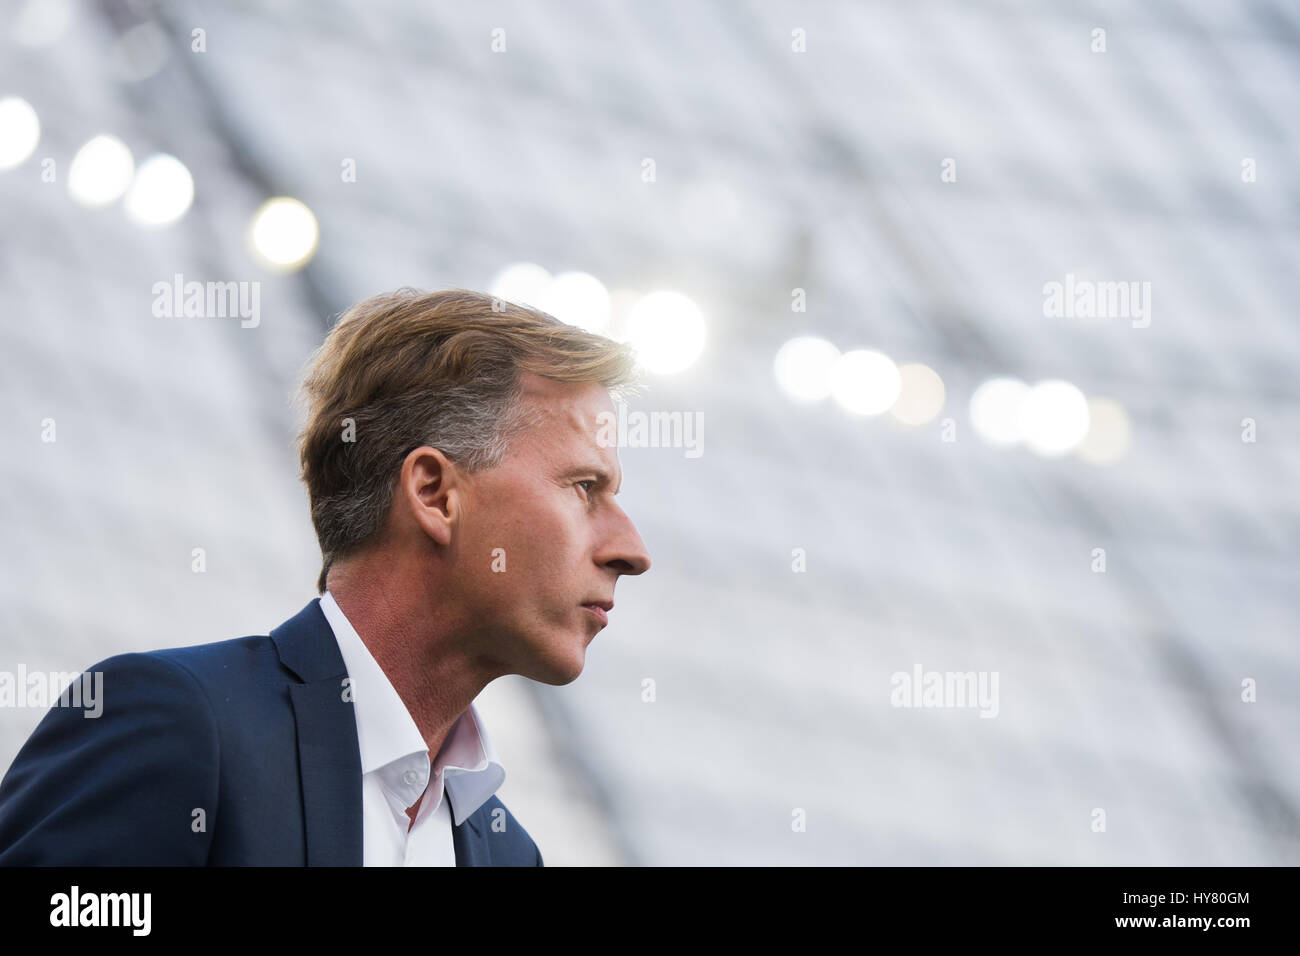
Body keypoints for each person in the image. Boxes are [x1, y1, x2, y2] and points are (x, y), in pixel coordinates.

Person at [0, 288, 652, 866]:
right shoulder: (178, 725)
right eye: (584, 487)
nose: (632, 549)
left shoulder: (505, 851)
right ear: (434, 493)